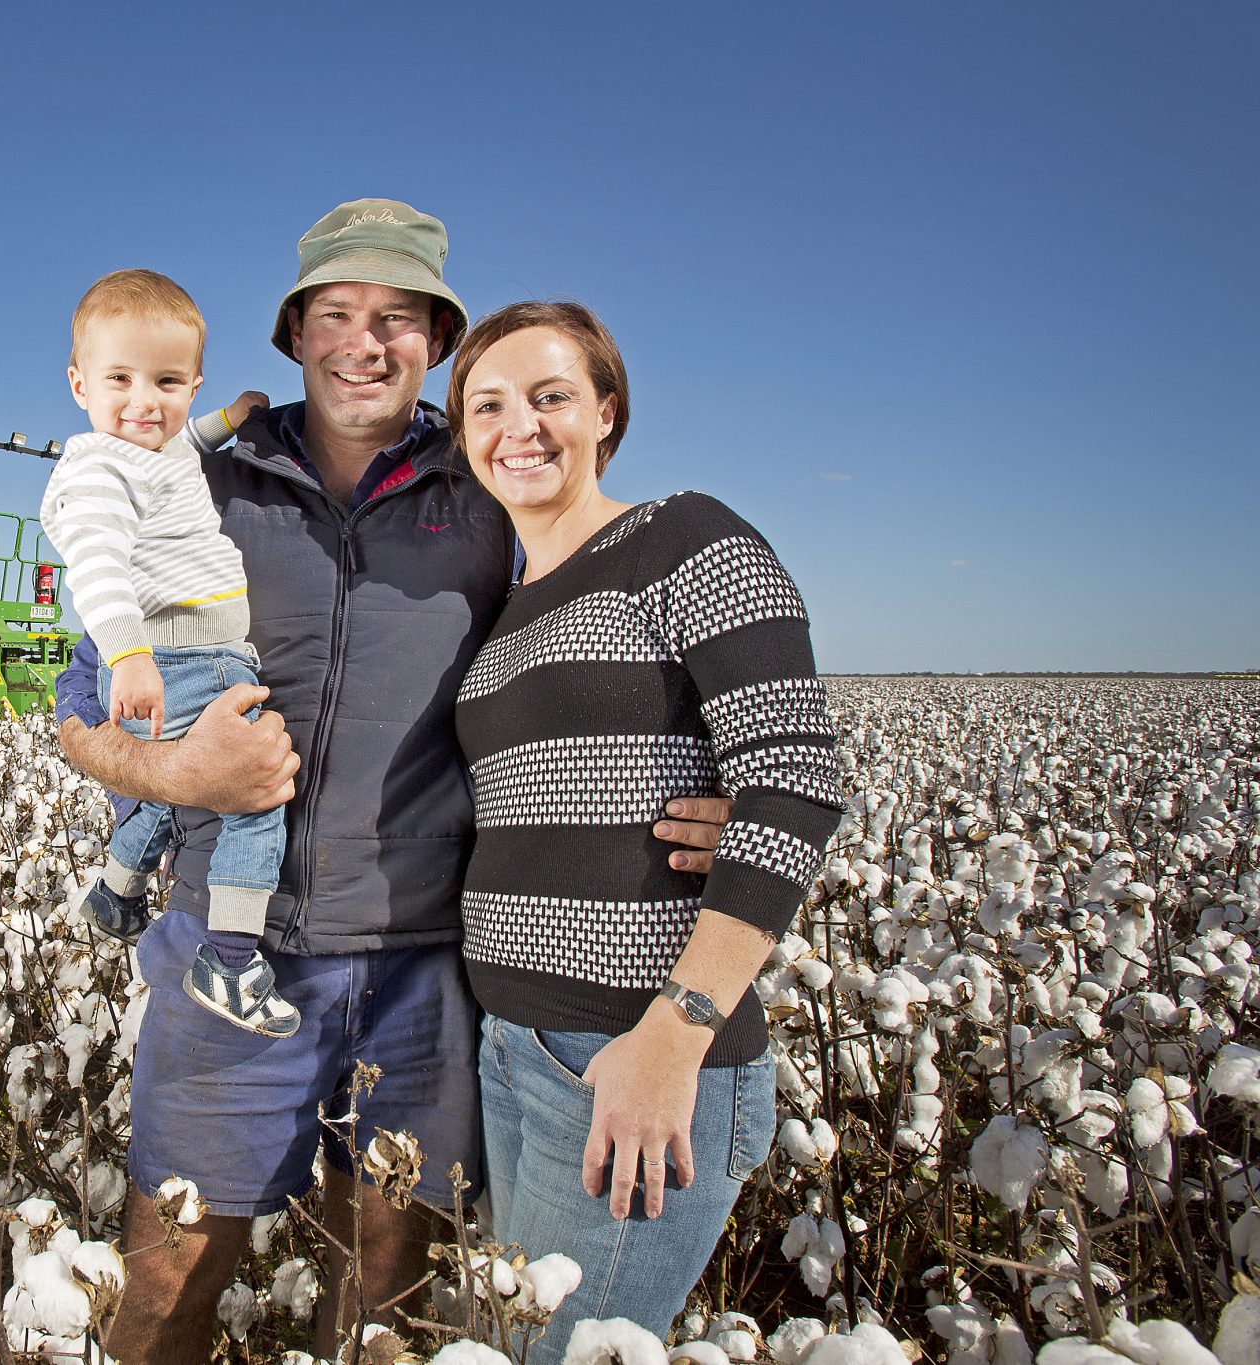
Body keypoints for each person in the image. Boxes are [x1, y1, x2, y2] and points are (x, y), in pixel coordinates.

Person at [52, 201, 736, 1363]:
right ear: (294, 336)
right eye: (336, 315)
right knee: (164, 1286)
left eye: (397, 319)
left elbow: (588, 651)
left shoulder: (487, 498)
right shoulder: (193, 487)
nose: (364, 343)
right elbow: (75, 717)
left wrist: (694, 787)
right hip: (231, 958)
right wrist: (176, 769)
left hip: (424, 975)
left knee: (383, 1305)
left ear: (433, 342)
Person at [444, 300, 842, 1352]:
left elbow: (791, 776)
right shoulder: (506, 606)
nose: (516, 427)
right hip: (512, 1046)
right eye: (487, 405)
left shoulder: (682, 536)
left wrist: (675, 1032)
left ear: (605, 412)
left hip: (637, 1052)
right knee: (517, 1335)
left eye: (549, 397)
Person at [39, 269, 296, 1036]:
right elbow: (97, 566)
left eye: (168, 381)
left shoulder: (155, 445)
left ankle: (118, 886)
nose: (145, 402)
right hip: (183, 655)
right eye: (120, 379)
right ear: (80, 383)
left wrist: (231, 417)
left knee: (166, 788)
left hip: (198, 651)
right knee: (255, 795)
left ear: (192, 383)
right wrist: (129, 656)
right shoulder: (98, 468)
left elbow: (185, 441)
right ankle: (231, 957)